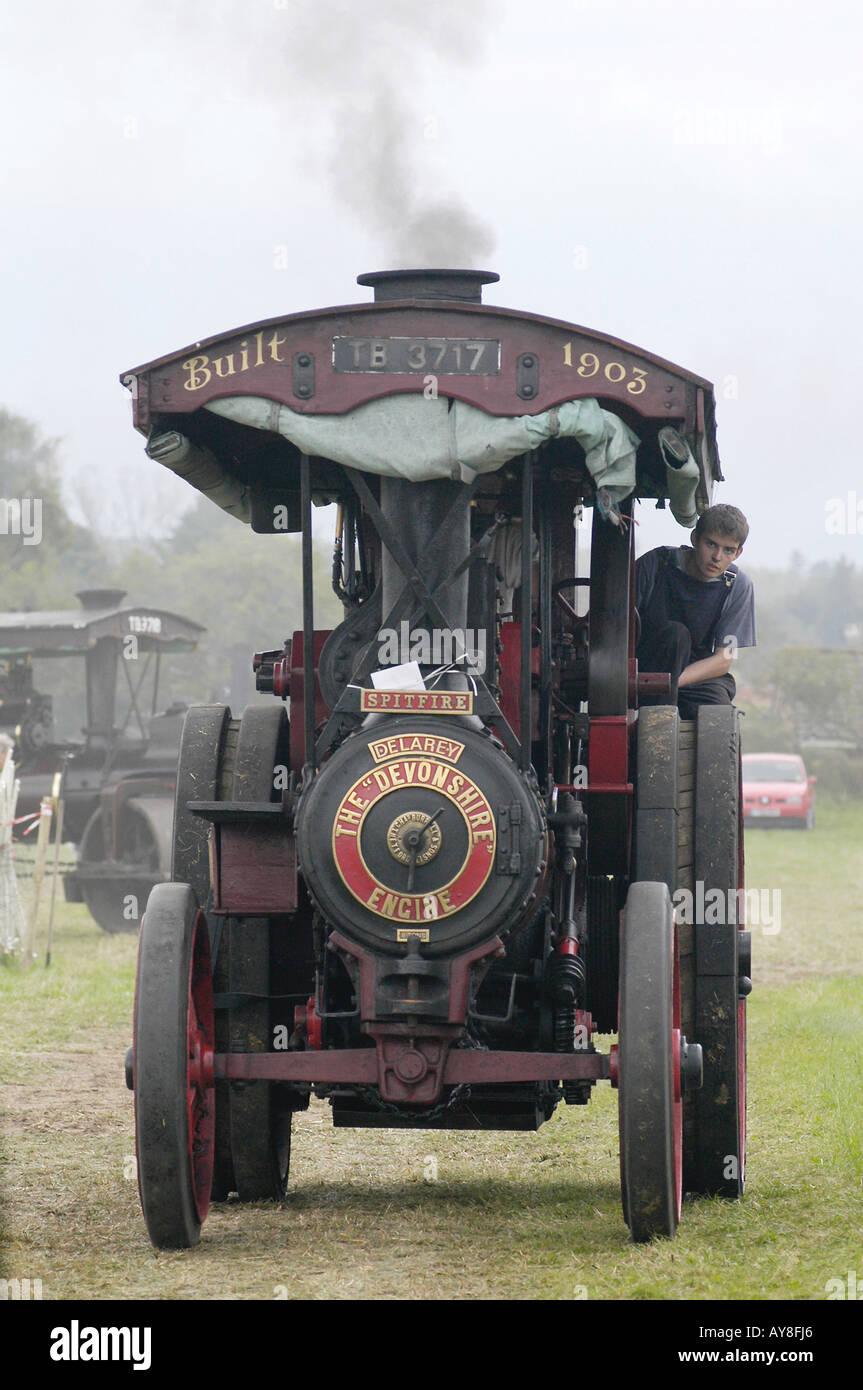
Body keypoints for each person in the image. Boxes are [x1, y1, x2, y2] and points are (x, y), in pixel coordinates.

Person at [635, 503, 755, 719]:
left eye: (728, 550)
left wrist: (670, 683)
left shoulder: (737, 586)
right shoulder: (655, 564)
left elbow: (722, 660)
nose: (717, 557)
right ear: (694, 539)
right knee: (675, 634)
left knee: (719, 717)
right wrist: (651, 681)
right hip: (645, 667)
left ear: (738, 553)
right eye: (711, 544)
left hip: (695, 673)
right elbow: (618, 628)